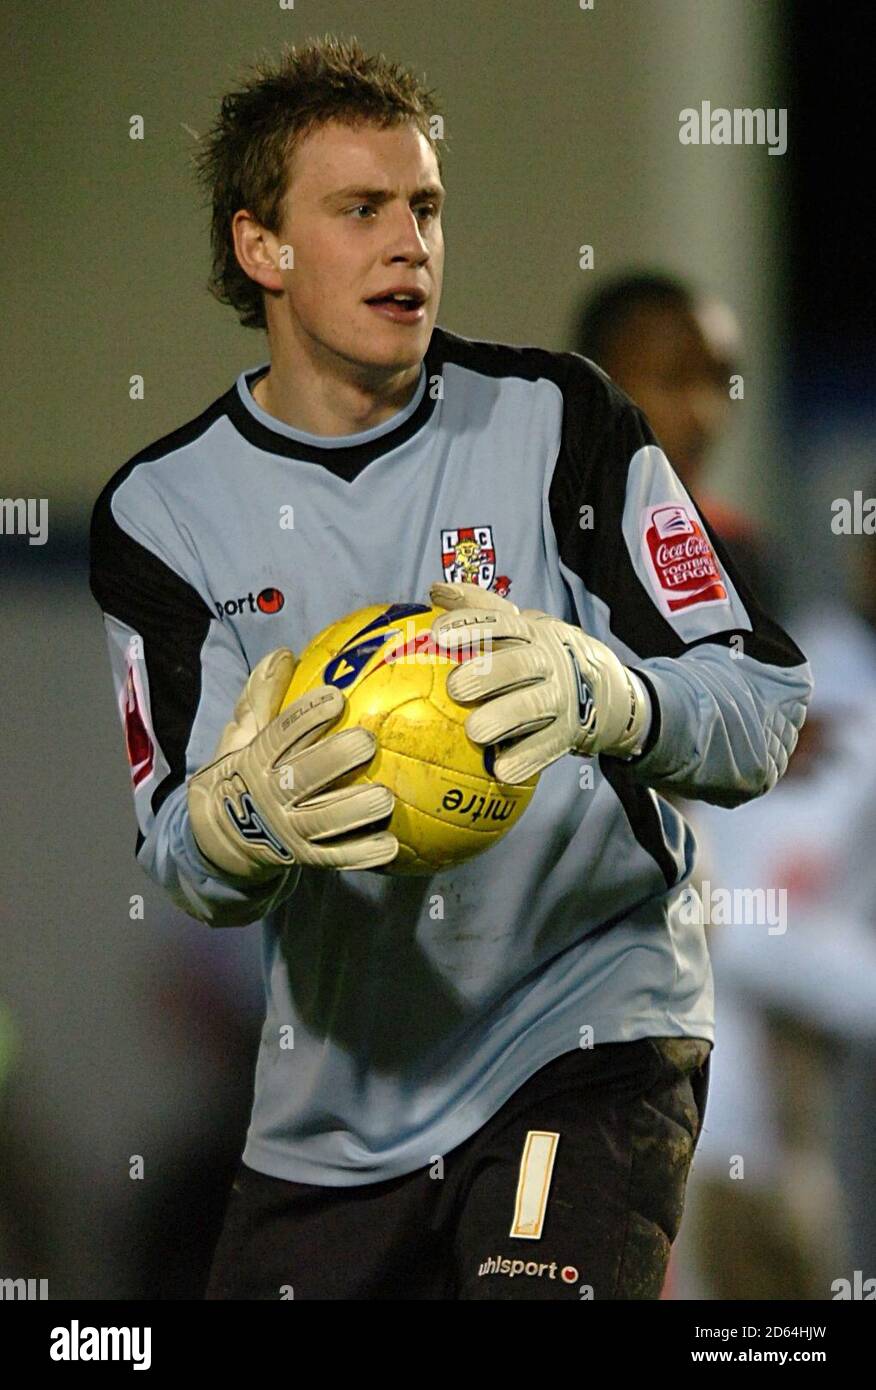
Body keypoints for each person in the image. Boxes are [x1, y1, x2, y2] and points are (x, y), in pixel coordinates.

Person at [88, 36, 812, 1300]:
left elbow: (761, 705)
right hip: (338, 1102)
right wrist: (250, 811)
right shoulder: (164, 513)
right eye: (360, 210)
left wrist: (607, 693)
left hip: (586, 1031)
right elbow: (178, 851)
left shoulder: (562, 420)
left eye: (423, 205)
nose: (408, 241)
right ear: (263, 247)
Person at [576, 272, 775, 606]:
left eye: (719, 381)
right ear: (592, 386)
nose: (705, 415)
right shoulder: (533, 530)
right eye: (672, 380)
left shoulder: (736, 549)